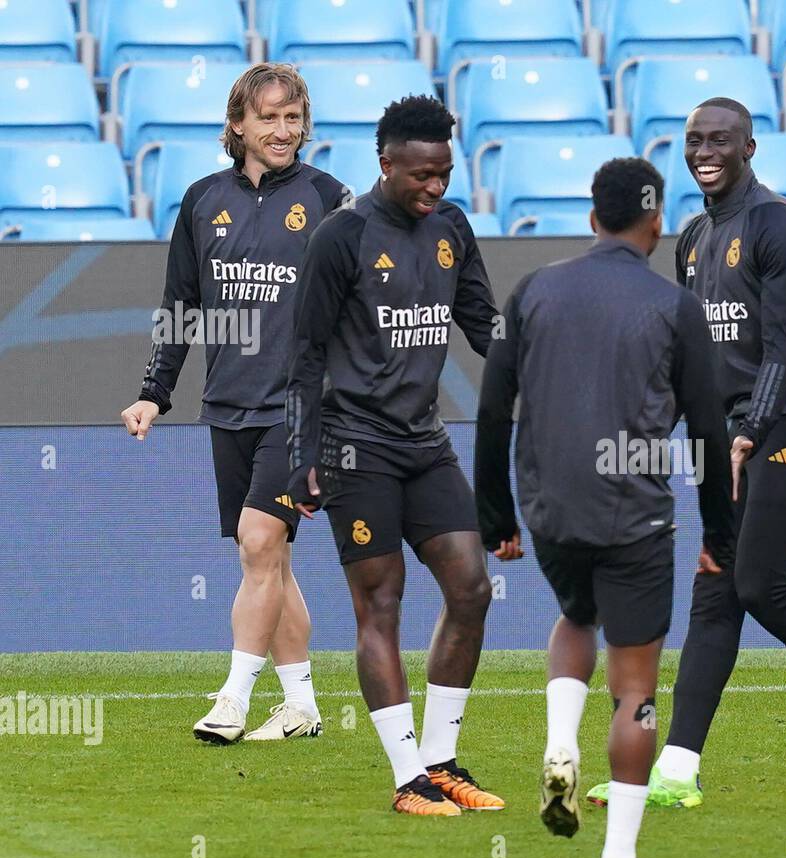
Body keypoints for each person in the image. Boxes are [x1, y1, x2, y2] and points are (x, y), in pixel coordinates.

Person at [587, 99, 786, 810]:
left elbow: (785, 344)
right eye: (694, 140)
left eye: (720, 140)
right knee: (715, 590)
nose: (705, 151)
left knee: (758, 582)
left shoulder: (780, 228)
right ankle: (676, 769)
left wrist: (749, 429)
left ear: (750, 148)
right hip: (737, 428)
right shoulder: (696, 237)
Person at [475, 157, 734, 858]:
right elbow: (709, 432)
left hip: (550, 508)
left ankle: (561, 742)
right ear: (656, 223)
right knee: (637, 685)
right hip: (636, 518)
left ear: (593, 218)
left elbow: (494, 411)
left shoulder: (532, 291)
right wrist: (721, 534)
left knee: (574, 613)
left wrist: (496, 514)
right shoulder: (675, 305)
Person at [285, 95, 503, 816]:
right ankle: (407, 776)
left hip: (425, 441)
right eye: (421, 175)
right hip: (356, 447)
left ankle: (440, 762)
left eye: (444, 173)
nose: (435, 187)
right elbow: (306, 349)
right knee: (382, 604)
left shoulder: (452, 228)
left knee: (470, 589)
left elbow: (484, 327)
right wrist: (302, 452)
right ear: (386, 164)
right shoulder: (341, 236)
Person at [120, 63, 349, 744]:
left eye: (293, 116)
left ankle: (233, 696)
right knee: (268, 559)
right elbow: (181, 306)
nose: (283, 130)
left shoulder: (332, 198)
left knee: (258, 541)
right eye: (269, 117)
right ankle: (303, 705)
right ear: (238, 125)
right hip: (228, 404)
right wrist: (152, 392)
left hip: (302, 409)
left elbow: (359, 304)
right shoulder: (200, 201)